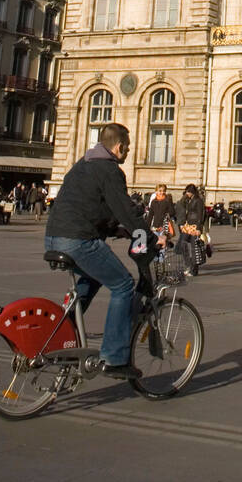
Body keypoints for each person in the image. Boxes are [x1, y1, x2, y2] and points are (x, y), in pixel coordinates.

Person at [44, 122, 149, 379]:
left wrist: (117, 230)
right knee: (123, 285)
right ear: (119, 146)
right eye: (127, 148)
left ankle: (62, 334)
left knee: (92, 277)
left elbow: (96, 209)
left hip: (53, 238)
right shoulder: (110, 170)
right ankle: (114, 358)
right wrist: (147, 234)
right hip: (78, 240)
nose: (127, 153)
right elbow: (124, 209)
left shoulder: (83, 165)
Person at [174, 183, 206, 276]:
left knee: (194, 248)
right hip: (188, 224)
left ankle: (193, 270)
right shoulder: (188, 199)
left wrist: (199, 228)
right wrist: (184, 197)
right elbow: (180, 205)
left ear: (192, 192)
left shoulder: (198, 201)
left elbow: (201, 215)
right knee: (183, 243)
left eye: (188, 192)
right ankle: (188, 264)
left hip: (195, 225)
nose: (187, 193)